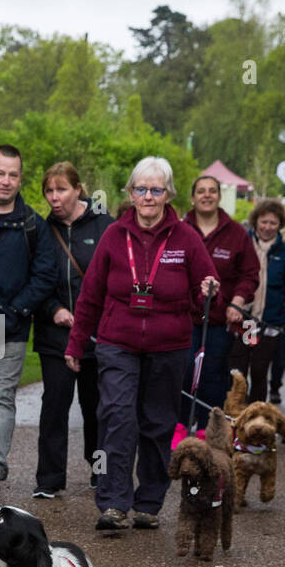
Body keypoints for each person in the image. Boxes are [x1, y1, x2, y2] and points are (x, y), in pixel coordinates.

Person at [65, 157, 218, 531]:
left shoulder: (186, 238)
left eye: (157, 189)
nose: (148, 197)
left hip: (169, 346)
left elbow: (207, 290)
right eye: (141, 189)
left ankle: (149, 501)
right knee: (117, 417)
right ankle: (114, 501)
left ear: (168, 195)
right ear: (131, 193)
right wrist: (75, 343)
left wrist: (209, 290)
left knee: (158, 423)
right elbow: (90, 295)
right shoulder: (114, 236)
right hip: (118, 342)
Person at [0, 144, 56, 496]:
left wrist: (14, 311)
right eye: (0, 173)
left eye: (13, 175)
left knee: (2, 397)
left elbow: (44, 275)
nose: (6, 181)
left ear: (21, 179)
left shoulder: (33, 225)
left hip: (12, 327)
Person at [32, 162, 115, 499]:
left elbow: (115, 280)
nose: (55, 197)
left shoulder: (106, 226)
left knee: (99, 410)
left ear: (79, 189)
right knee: (54, 408)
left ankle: (101, 473)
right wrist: (55, 309)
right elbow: (35, 279)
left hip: (98, 337)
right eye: (49, 191)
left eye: (61, 189)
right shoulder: (40, 231)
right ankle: (49, 480)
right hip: (55, 336)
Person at [179, 175, 258, 419]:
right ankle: (179, 434)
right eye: (201, 191)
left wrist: (238, 300)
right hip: (182, 320)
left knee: (212, 380)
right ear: (192, 198)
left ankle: (208, 434)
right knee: (182, 375)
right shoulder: (178, 230)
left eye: (212, 190)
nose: (207, 195)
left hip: (218, 322)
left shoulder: (236, 233)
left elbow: (250, 274)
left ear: (219, 196)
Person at [229, 199, 285, 429]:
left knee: (260, 372)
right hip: (244, 320)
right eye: (264, 222)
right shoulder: (242, 244)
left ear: (280, 225)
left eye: (273, 223)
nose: (268, 227)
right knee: (238, 370)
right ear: (255, 221)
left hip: (269, 323)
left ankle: (257, 422)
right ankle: (234, 418)